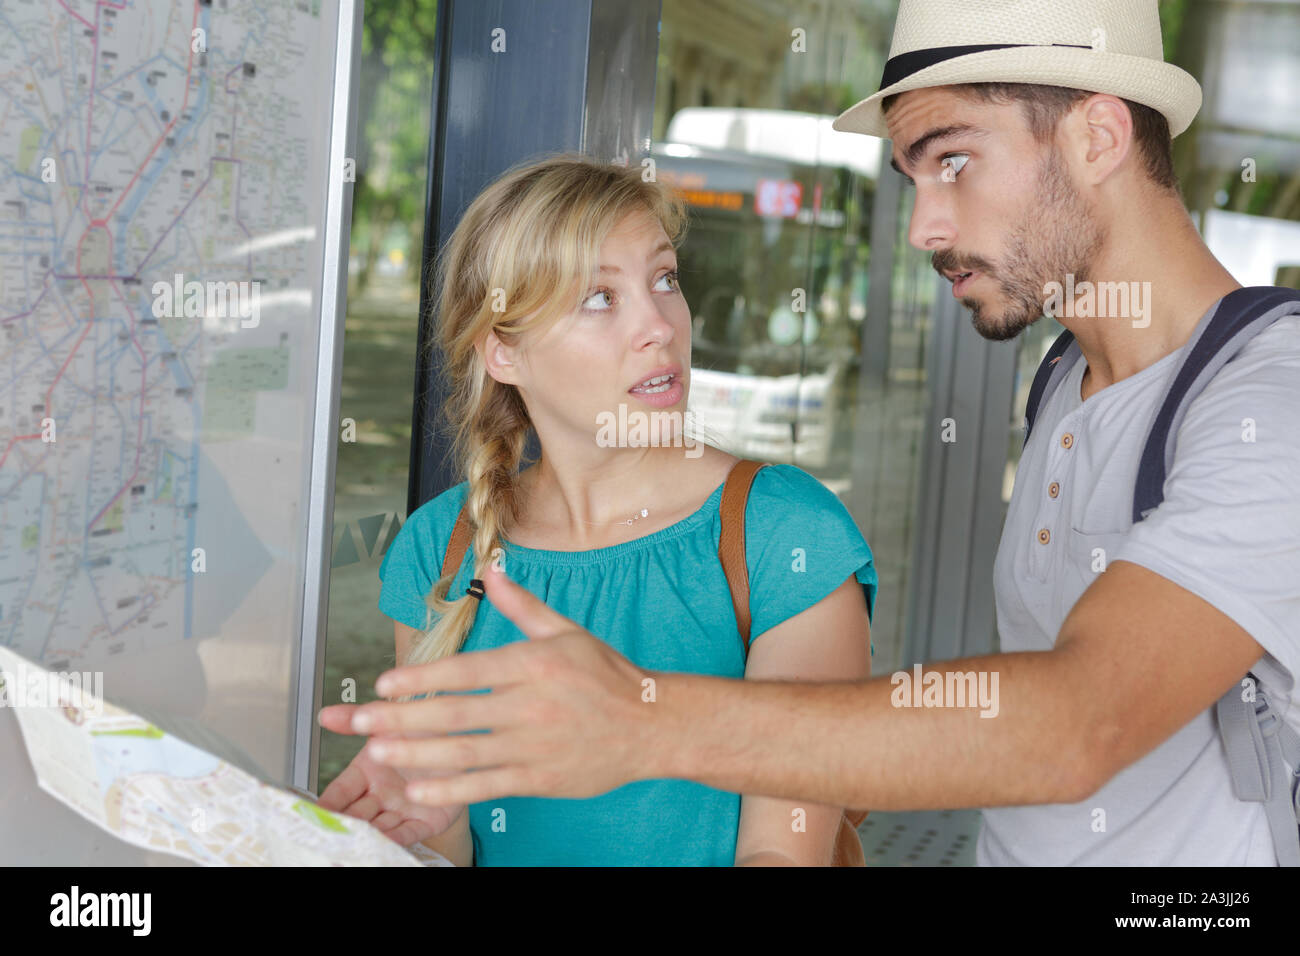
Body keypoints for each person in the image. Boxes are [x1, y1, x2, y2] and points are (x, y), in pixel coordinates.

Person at [322, 0, 1300, 866]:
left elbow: (1078, 721)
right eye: (912, 175)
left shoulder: (1274, 398)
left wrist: (639, 720)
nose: (921, 228)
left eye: (952, 160)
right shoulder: (1065, 384)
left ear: (1096, 137)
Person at [318, 154, 877, 866]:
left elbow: (783, 857)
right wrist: (429, 831)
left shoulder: (786, 536)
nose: (660, 326)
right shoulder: (442, 547)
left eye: (665, 279)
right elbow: (454, 849)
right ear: (503, 352)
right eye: (599, 298)